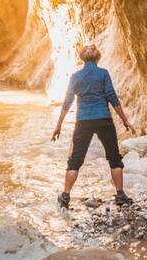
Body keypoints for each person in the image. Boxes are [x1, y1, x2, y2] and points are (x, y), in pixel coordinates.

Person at [51, 44, 136, 210]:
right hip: (103, 119)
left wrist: (58, 125)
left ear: (82, 58)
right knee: (114, 157)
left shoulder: (75, 76)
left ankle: (66, 196)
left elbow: (67, 102)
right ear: (98, 57)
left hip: (83, 121)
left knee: (75, 160)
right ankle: (120, 194)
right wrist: (125, 120)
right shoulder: (103, 74)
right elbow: (112, 98)